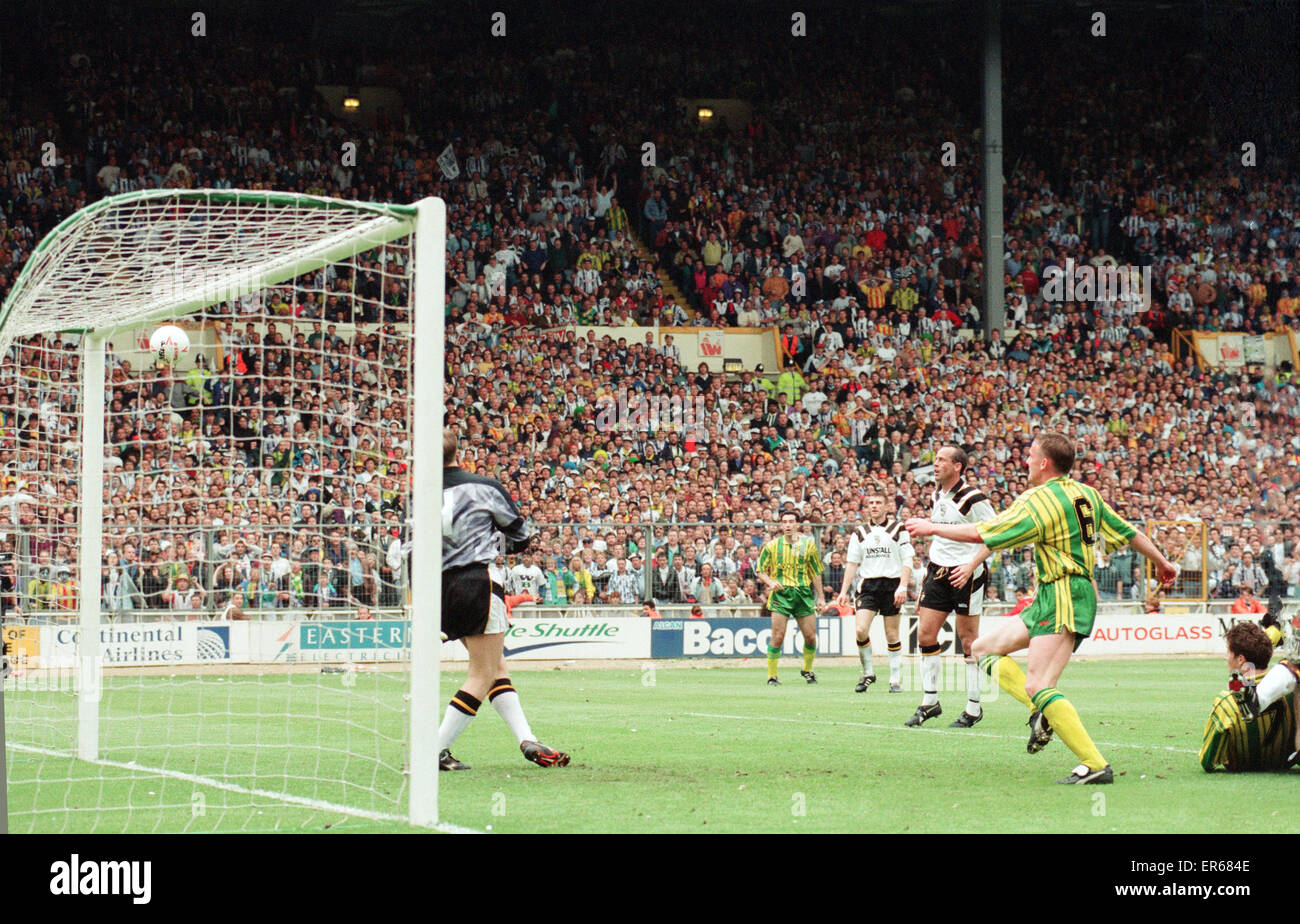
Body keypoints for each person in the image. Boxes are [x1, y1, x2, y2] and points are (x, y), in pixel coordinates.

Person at [907, 432, 1178, 784]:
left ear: (1045, 462)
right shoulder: (1087, 494)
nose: (1027, 461)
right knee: (983, 648)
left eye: (1031, 455)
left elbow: (983, 533)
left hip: (1065, 593)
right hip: (1053, 593)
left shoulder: (1039, 499)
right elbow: (1126, 531)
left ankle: (1095, 764)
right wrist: (1162, 561)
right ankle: (1042, 712)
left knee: (1037, 684)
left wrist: (931, 527)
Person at [437, 427, 568, 771]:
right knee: (481, 674)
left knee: (495, 668)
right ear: (458, 452)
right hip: (479, 582)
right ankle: (432, 750)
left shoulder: (418, 492)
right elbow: (521, 536)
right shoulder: (485, 487)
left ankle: (527, 738)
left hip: (439, 587)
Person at [905, 445, 995, 728]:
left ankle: (973, 707)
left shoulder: (973, 498)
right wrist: (927, 573)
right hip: (938, 572)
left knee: (968, 641)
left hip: (966, 574)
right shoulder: (937, 494)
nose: (935, 464)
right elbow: (943, 534)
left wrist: (970, 566)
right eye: (935, 459)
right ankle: (930, 702)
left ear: (957, 466)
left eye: (942, 460)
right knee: (926, 635)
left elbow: (996, 535)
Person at [1200, 614, 1298, 772]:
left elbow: (1208, 762)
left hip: (1242, 766)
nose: (1225, 657)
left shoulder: (1226, 701)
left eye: (1228, 652)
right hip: (1283, 763)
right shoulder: (1293, 695)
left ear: (1240, 660)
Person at [837, 493, 913, 693]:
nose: (874, 506)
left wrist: (903, 586)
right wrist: (844, 591)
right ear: (866, 507)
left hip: (892, 585)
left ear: (887, 506)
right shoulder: (860, 532)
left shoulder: (898, 529)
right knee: (861, 629)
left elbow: (907, 560)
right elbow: (853, 563)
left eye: (878, 502)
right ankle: (868, 672)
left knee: (891, 633)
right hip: (868, 586)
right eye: (871, 503)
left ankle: (895, 679)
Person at [755, 509, 825, 685]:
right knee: (778, 636)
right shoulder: (772, 546)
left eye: (791, 521)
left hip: (803, 593)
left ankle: (807, 670)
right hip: (781, 595)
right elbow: (760, 571)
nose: (787, 525)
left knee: (810, 637)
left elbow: (815, 572)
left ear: (797, 524)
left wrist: (821, 597)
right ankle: (772, 676)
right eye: (784, 521)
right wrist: (771, 583)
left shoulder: (808, 545)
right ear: (781, 525)